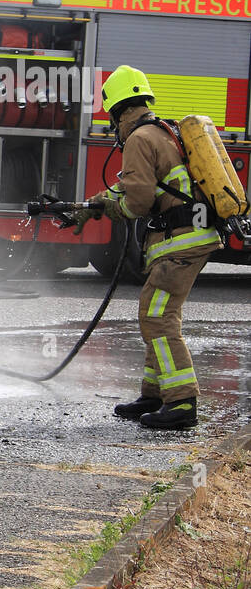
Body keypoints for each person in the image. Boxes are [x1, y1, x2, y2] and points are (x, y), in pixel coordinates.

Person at [74, 65, 220, 430]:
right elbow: (139, 188)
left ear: (119, 110)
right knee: (157, 312)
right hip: (190, 237)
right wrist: (90, 207)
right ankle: (155, 394)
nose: (113, 125)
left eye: (112, 116)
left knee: (157, 316)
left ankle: (182, 403)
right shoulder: (161, 131)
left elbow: (135, 201)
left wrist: (114, 210)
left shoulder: (139, 138)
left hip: (180, 243)